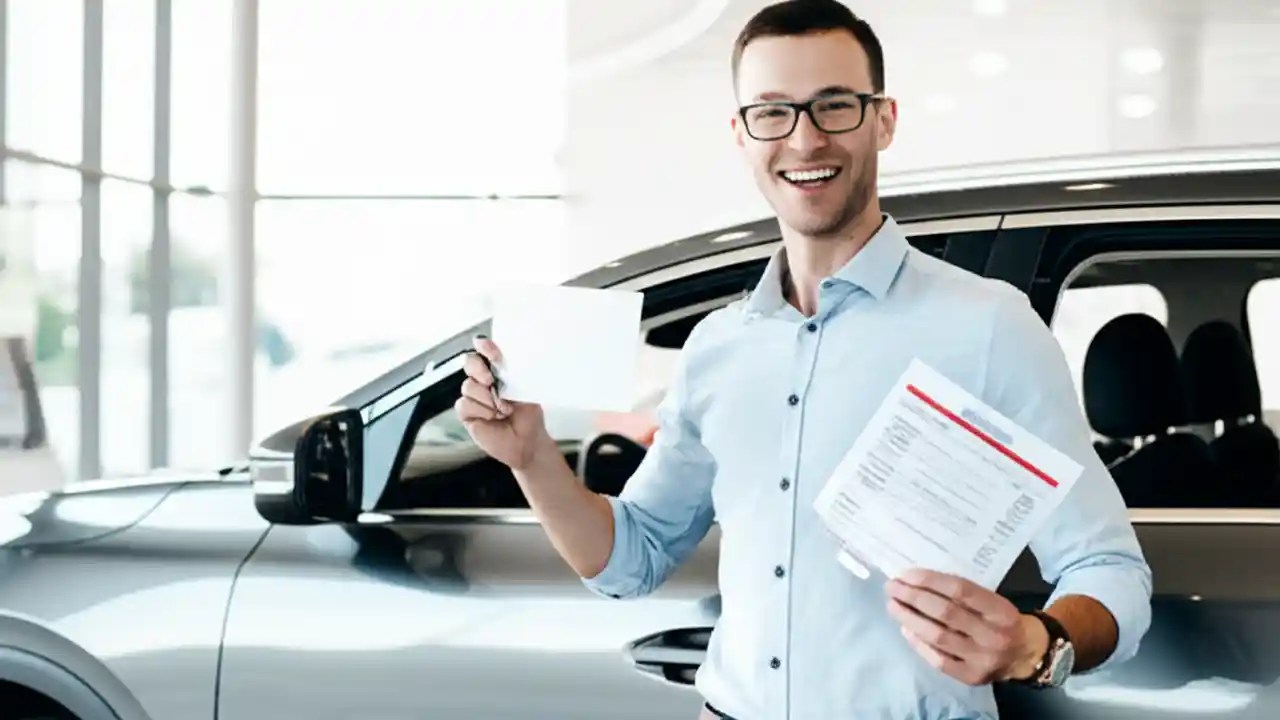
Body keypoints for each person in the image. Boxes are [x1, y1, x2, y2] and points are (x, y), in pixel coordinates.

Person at [455, 1, 1153, 717]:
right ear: (742, 132)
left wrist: (1037, 644)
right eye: (773, 112)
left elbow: (1110, 573)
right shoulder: (718, 348)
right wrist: (532, 457)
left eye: (835, 107)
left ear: (884, 119)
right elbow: (632, 561)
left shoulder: (988, 328)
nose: (805, 138)